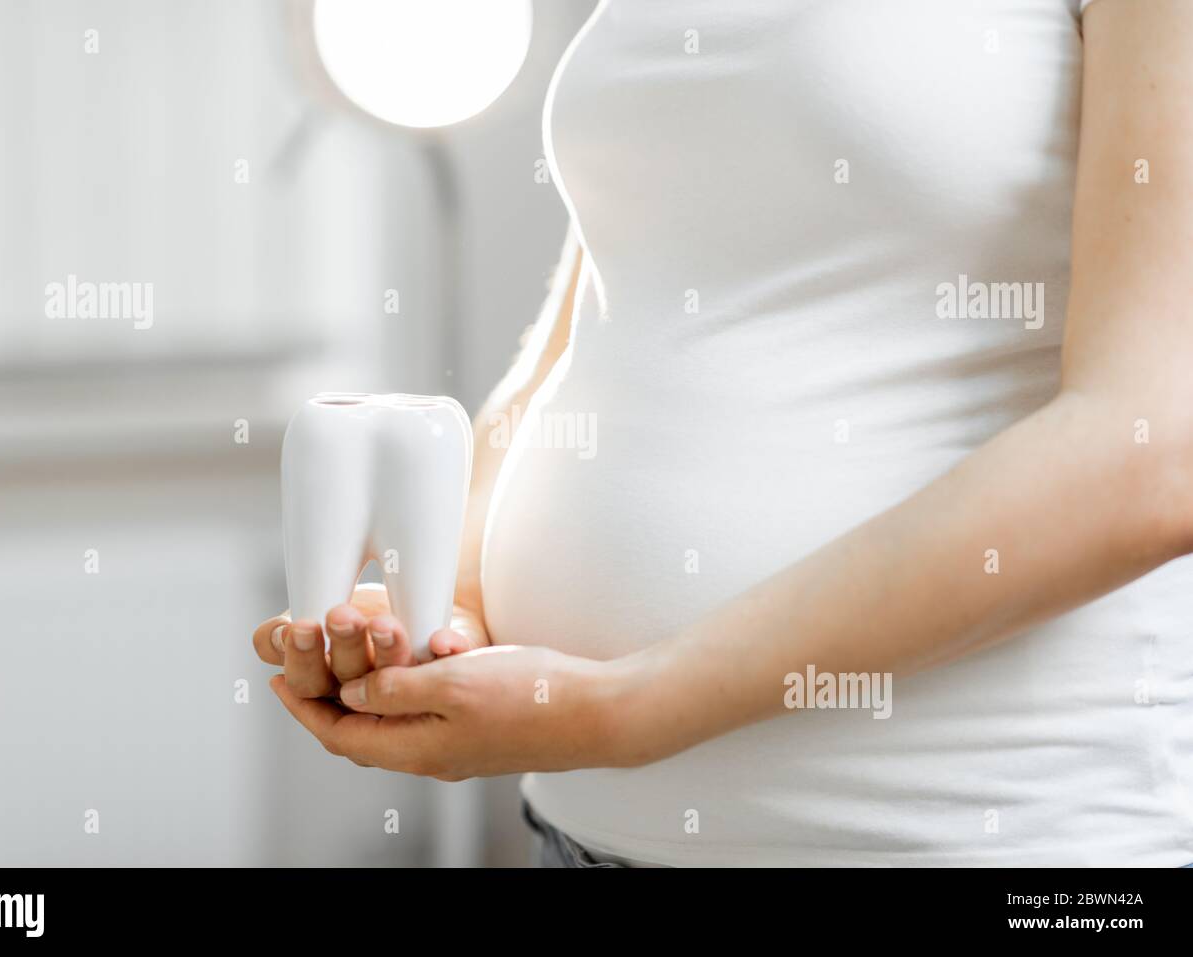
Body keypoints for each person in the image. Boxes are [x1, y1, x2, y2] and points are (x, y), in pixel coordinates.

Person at [254, 0, 1193, 867]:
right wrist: (446, 605)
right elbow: (609, 308)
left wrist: (629, 711)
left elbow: (1155, 450)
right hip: (585, 838)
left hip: (989, 842)